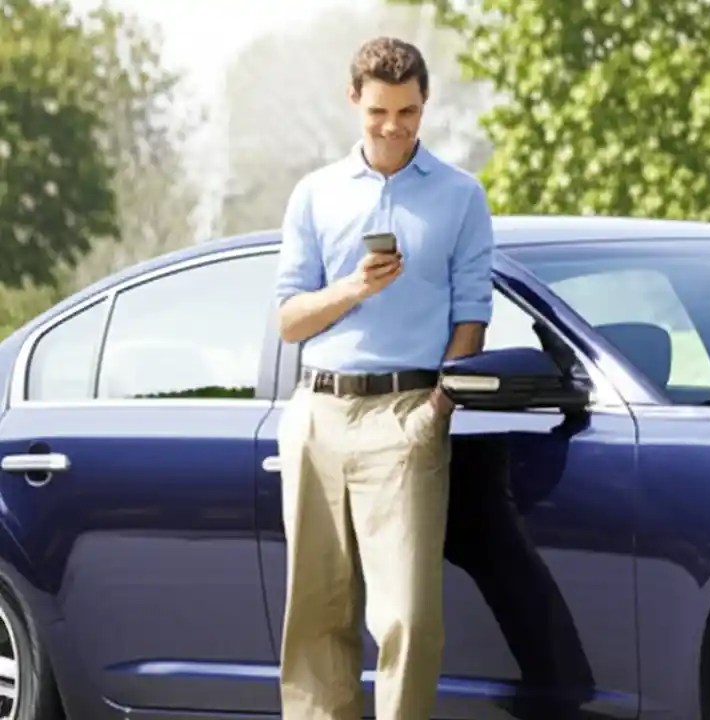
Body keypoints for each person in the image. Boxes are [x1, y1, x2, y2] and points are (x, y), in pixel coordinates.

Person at [272, 35, 493, 720]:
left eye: (409, 110)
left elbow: (473, 318)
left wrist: (436, 409)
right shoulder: (315, 195)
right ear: (354, 103)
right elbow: (289, 320)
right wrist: (353, 290)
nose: (394, 126)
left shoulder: (460, 197)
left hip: (406, 416)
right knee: (315, 619)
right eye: (379, 112)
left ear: (425, 105)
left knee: (407, 622)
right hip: (317, 415)